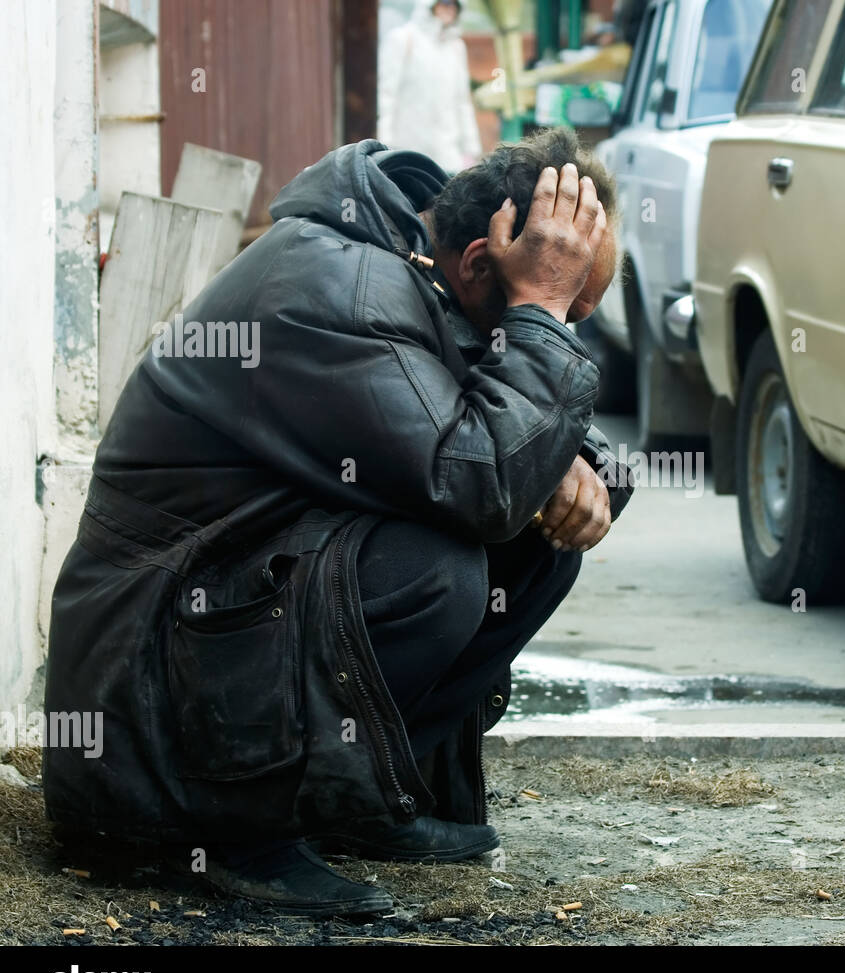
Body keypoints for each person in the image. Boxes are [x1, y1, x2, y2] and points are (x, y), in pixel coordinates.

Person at [42, 128, 633, 916]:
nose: (564, 333)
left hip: (220, 622)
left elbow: (518, 444)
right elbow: (482, 480)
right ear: (480, 265)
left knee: (536, 549)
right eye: (558, 314)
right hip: (146, 692)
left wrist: (570, 457)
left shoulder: (416, 260)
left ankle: (352, 800)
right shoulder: (341, 287)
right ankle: (231, 828)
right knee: (441, 571)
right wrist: (537, 334)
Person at [378, 0, 483, 173]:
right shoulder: (403, 39)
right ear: (428, 5)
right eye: (444, 2)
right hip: (408, 150)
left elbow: (462, 101)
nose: (449, 9)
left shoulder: (456, 47)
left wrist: (471, 148)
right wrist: (384, 144)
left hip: (447, 155)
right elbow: (386, 95)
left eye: (454, 4)